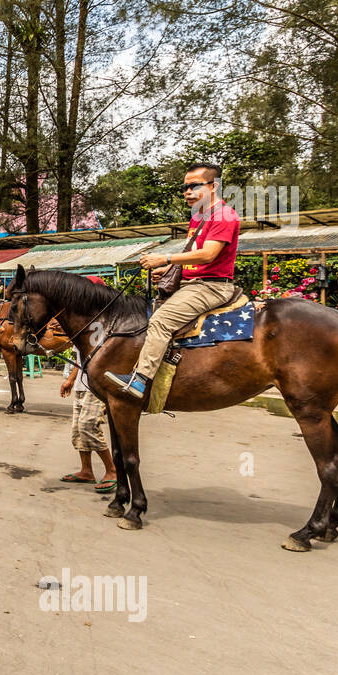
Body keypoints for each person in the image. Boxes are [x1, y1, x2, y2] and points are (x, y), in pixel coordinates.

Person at [105, 162, 242, 398]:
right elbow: (192, 256)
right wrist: (168, 268)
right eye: (185, 187)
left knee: (160, 321)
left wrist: (165, 257)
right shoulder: (198, 217)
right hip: (191, 285)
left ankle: (140, 380)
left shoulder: (224, 216)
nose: (187, 192)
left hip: (210, 287)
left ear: (214, 186)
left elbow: (209, 254)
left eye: (194, 186)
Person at [59, 278, 118, 491]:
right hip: (82, 382)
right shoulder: (83, 320)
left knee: (88, 425)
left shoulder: (108, 320)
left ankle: (112, 470)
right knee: (77, 430)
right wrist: (71, 379)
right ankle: (86, 471)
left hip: (98, 383)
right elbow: (80, 355)